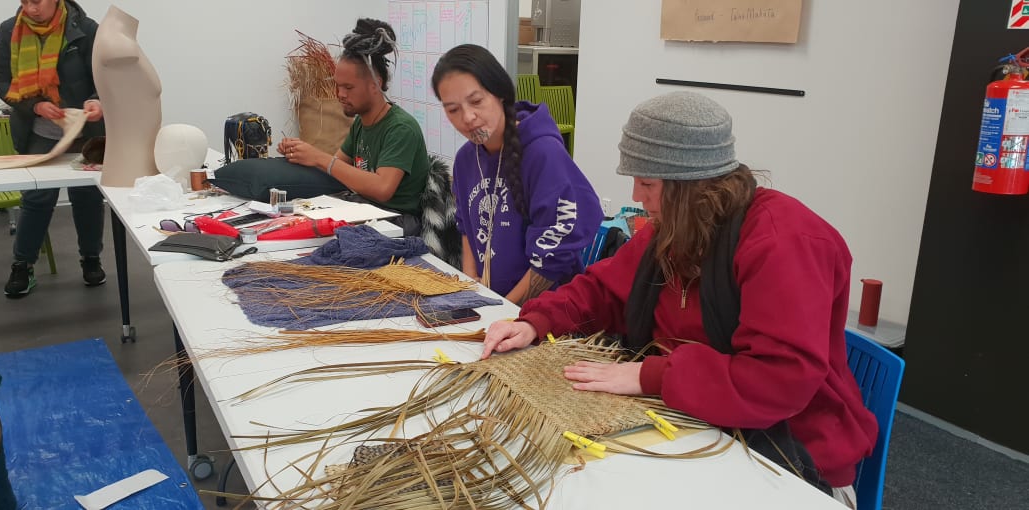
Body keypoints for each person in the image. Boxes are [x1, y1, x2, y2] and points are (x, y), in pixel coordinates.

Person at [480, 91, 877, 508]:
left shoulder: (784, 243)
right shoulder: (675, 229)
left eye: (648, 183)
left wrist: (648, 376)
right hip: (694, 421)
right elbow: (602, 290)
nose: (638, 194)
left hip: (787, 461)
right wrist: (534, 322)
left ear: (692, 185)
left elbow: (778, 380)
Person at [431, 44, 603, 304]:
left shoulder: (543, 153)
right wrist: (471, 281)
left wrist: (504, 311)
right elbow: (466, 224)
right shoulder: (466, 159)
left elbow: (553, 256)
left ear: (500, 93)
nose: (468, 117)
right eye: (453, 110)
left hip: (544, 314)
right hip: (492, 305)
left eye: (476, 101)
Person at [0, 0, 106, 297]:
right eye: (24, 1)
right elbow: (0, 80)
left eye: (37, 1)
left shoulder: (86, 29)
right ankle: (22, 265)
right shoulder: (9, 30)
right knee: (37, 198)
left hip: (83, 128)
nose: (30, 8)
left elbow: (102, 77)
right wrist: (35, 105)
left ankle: (91, 259)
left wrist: (96, 100)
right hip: (38, 131)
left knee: (87, 196)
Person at [277, 18, 429, 236]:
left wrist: (320, 158)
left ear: (375, 83)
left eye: (348, 87)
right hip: (366, 209)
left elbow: (382, 189)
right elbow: (338, 168)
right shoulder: (361, 123)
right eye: (338, 86)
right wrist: (301, 153)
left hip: (397, 221)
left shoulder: (401, 128)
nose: (340, 95)